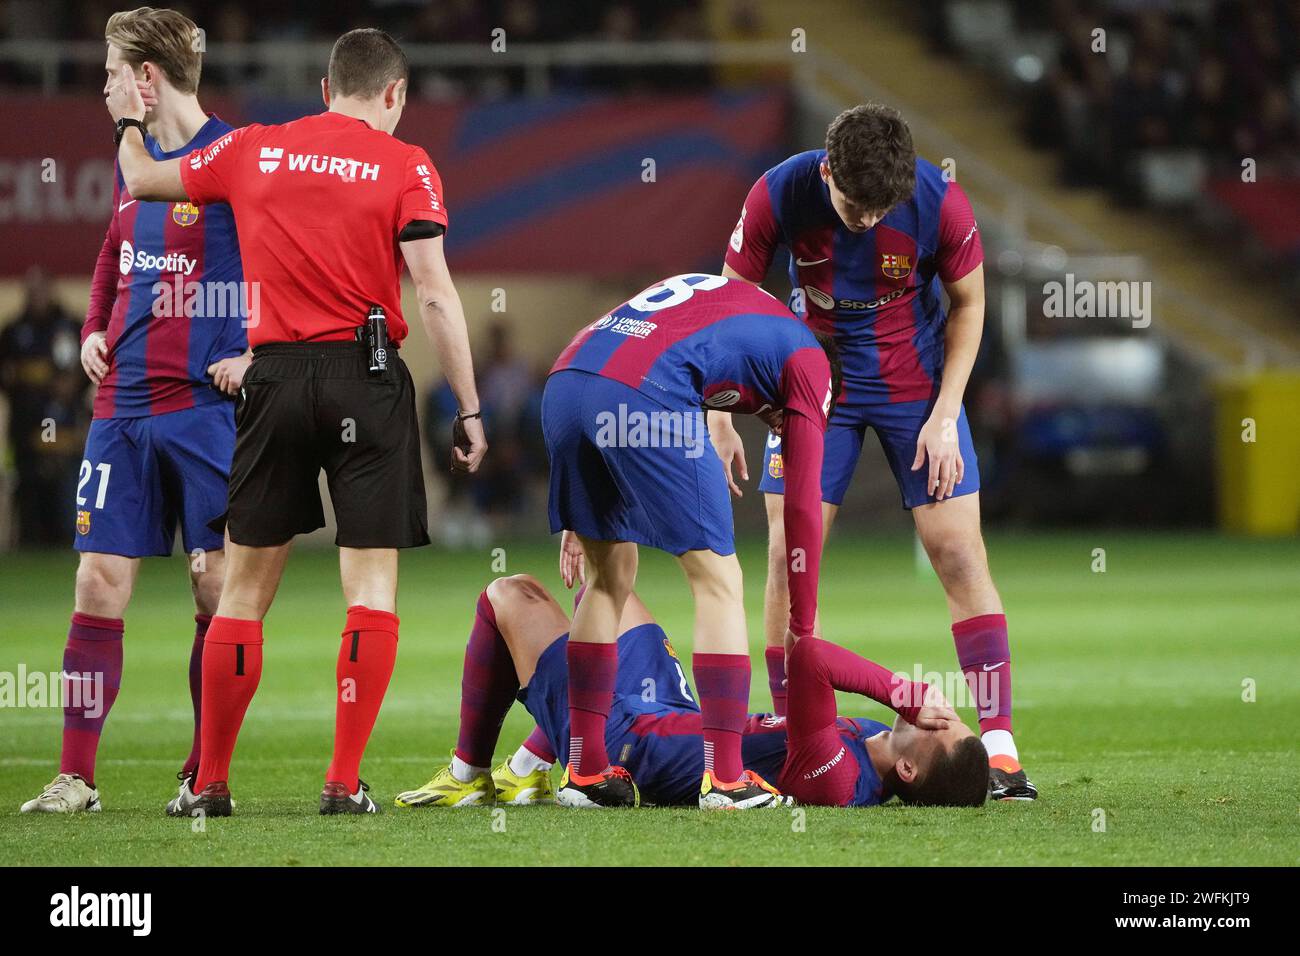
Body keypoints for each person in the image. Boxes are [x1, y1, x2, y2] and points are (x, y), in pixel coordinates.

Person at [103, 27, 488, 817]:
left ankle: (208, 785)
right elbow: (437, 292)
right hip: (368, 379)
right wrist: (469, 407)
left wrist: (131, 116)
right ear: (395, 96)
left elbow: (140, 180)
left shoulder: (252, 149)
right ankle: (343, 785)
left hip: (271, 379)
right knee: (370, 589)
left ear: (323, 88)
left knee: (240, 593)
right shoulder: (407, 163)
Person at [711, 104, 1036, 799]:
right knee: (786, 552)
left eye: (878, 209)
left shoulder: (940, 203)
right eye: (854, 207)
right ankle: (785, 717)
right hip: (809, 384)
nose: (864, 220)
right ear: (827, 170)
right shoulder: (779, 191)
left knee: (957, 551)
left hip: (915, 386)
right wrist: (722, 408)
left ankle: (1001, 746)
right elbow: (731, 302)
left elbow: (969, 306)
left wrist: (947, 413)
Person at [20, 8, 249, 815]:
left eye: (114, 70)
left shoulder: (233, 158)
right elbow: (113, 251)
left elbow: (285, 267)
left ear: (146, 80)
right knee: (97, 582)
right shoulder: (130, 160)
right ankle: (76, 777)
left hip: (204, 411)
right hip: (121, 409)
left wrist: (254, 350)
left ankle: (201, 772)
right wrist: (91, 328)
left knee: (215, 587)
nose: (106, 85)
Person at [540, 273, 840, 809]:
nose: (782, 424)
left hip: (567, 381)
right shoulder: (813, 365)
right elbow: (802, 505)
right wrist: (805, 625)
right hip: (642, 391)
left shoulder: (737, 306)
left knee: (609, 577)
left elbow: (648, 341)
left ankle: (584, 772)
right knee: (720, 580)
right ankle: (725, 779)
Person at [394, 572, 987, 809]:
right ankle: (528, 765)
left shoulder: (839, 779)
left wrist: (901, 690)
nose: (939, 710)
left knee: (509, 594)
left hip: (630, 743)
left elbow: (809, 651)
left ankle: (468, 773)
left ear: (907, 773)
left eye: (941, 725)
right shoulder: (864, 745)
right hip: (670, 712)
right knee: (610, 583)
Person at [0, 268, 87, 548]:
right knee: (29, 487)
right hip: (27, 427)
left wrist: (73, 382)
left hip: (64, 425)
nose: (37, 297)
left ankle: (70, 542)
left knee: (67, 488)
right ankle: (28, 544)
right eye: (31, 291)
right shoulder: (13, 331)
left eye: (42, 290)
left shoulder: (71, 326)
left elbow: (89, 367)